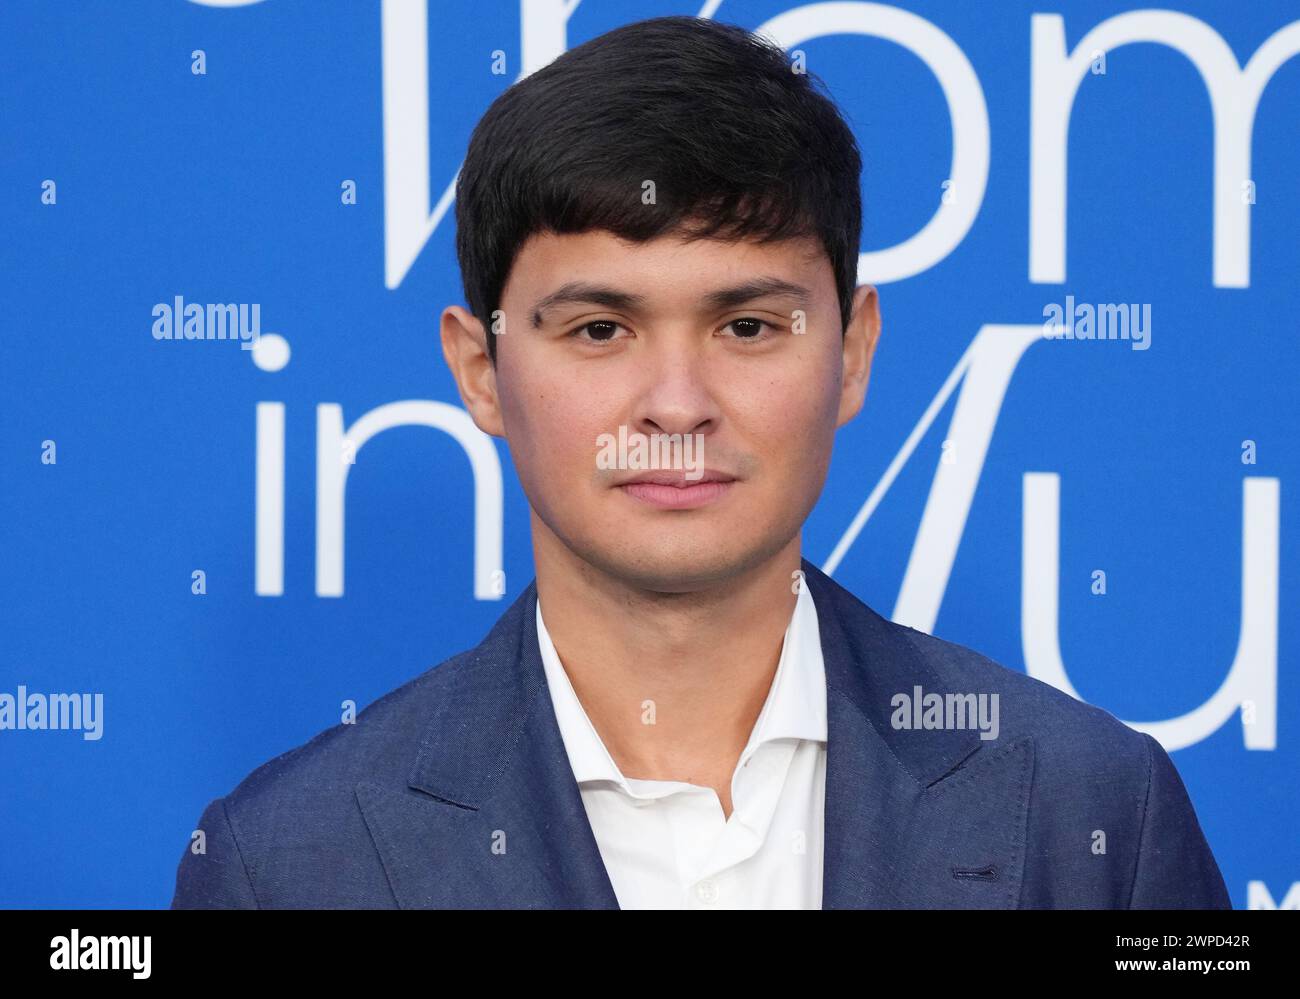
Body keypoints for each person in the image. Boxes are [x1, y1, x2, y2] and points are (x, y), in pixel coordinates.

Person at [171, 15, 1230, 909]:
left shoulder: (1096, 816)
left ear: (853, 354)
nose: (676, 403)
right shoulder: (287, 866)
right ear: (479, 370)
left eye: (748, 327)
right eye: (598, 330)